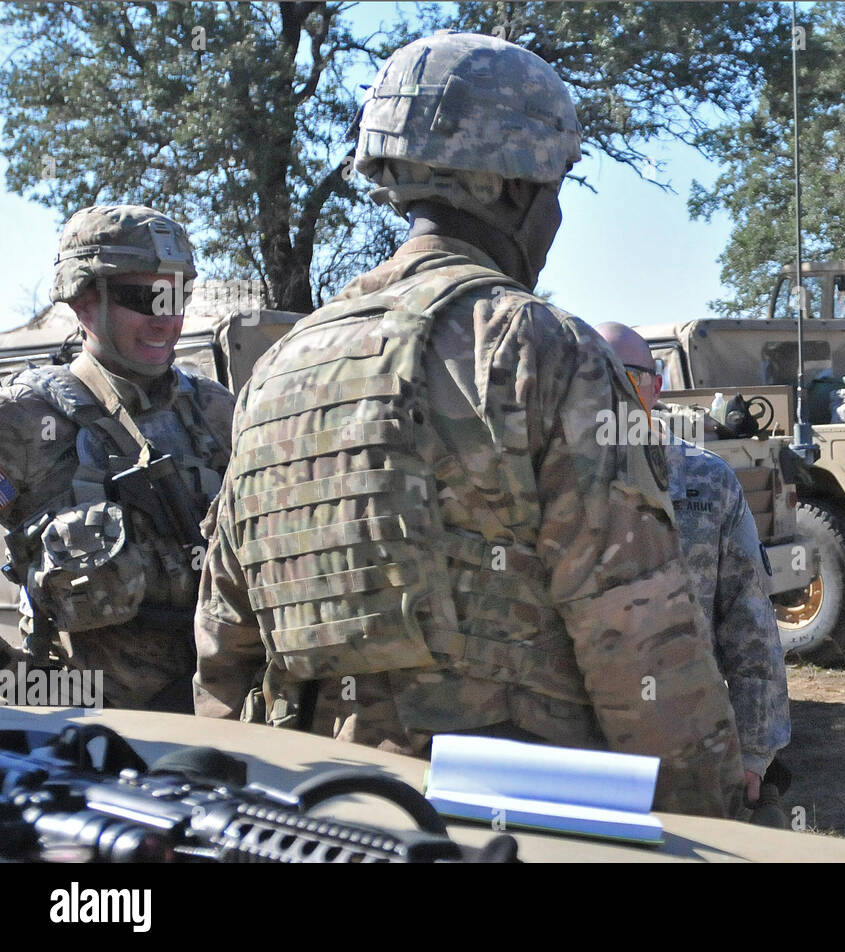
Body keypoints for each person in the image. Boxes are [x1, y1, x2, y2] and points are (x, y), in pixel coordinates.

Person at [192, 32, 744, 818]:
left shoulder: (278, 368)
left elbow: (225, 641)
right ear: (512, 189)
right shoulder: (541, 348)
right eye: (555, 185)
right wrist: (707, 817)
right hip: (511, 815)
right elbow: (635, 632)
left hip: (323, 806)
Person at [0, 204, 235, 711]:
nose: (165, 320)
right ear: (83, 301)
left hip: (230, 718)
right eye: (145, 297)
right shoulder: (21, 419)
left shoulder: (217, 410)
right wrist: (18, 690)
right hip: (94, 735)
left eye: (178, 297)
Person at [594, 322, 791, 806]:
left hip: (685, 737)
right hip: (579, 738)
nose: (611, 390)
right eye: (594, 375)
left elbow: (750, 625)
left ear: (656, 387)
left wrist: (753, 752)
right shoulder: (551, 484)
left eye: (628, 376)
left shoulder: (708, 480)